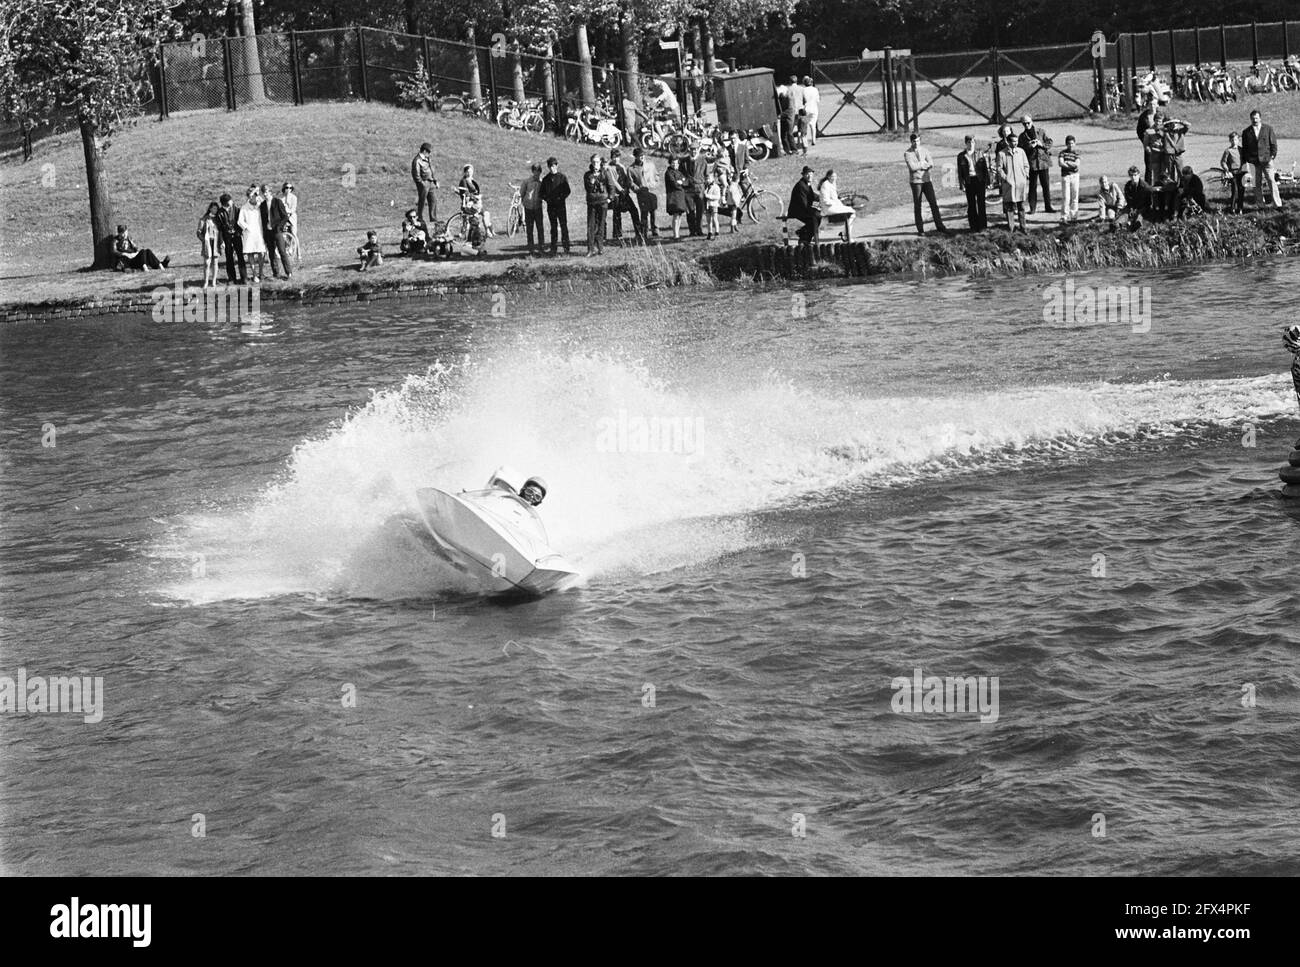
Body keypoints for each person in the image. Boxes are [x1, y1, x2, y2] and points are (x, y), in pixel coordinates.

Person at [905, 131, 947, 235]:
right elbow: (912, 167)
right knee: (918, 205)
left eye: (918, 141)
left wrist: (921, 165)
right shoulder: (908, 153)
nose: (916, 143)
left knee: (933, 203)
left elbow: (931, 163)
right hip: (916, 182)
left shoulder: (925, 150)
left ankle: (940, 226)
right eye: (914, 141)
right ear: (911, 142)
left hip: (927, 180)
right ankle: (920, 229)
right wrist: (922, 164)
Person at [1241, 109, 1282, 210]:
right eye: (1253, 118)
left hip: (1267, 161)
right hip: (1254, 162)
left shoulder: (1268, 129)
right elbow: (1245, 148)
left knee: (1272, 182)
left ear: (1260, 118)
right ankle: (1261, 205)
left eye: (1256, 118)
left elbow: (1273, 144)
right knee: (1256, 184)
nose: (1255, 120)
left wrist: (1272, 156)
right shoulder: (1246, 132)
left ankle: (1277, 204)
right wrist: (1248, 159)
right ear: (1250, 119)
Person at [604, 148, 643, 245]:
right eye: (614, 157)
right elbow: (613, 181)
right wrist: (621, 189)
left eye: (617, 157)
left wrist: (626, 189)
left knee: (634, 210)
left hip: (625, 193)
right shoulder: (608, 167)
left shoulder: (621, 166)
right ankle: (617, 235)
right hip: (616, 194)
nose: (616, 159)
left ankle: (638, 233)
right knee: (617, 214)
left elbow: (626, 178)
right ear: (611, 157)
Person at [1017, 115, 1054, 214]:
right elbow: (1020, 150)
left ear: (1032, 122)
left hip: (1043, 162)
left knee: (1045, 185)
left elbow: (1050, 142)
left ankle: (1048, 206)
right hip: (1032, 164)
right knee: (1032, 186)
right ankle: (1032, 208)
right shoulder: (1022, 137)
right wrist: (1030, 146)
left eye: (1028, 123)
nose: (1027, 125)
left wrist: (1041, 144)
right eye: (1024, 124)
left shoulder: (1040, 131)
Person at [997, 130, 1029, 232]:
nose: (1015, 143)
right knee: (1010, 207)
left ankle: (1023, 227)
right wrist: (1005, 178)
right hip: (1009, 185)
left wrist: (1025, 175)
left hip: (1020, 183)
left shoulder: (1021, 152)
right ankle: (1011, 228)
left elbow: (1026, 165)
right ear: (1008, 142)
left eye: (1016, 141)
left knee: (1021, 206)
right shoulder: (1002, 154)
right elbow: (999, 168)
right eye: (1013, 141)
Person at [540, 157, 571, 256]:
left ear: (557, 166)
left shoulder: (562, 177)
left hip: (561, 205)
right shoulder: (546, 179)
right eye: (550, 166)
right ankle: (553, 248)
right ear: (548, 167)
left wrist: (561, 198)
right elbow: (542, 193)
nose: (552, 168)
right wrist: (547, 199)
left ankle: (566, 247)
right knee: (553, 227)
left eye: (554, 166)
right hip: (551, 206)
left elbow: (567, 190)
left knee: (563, 226)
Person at [957, 134, 988, 231]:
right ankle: (973, 226)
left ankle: (982, 226)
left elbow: (985, 169)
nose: (971, 144)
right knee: (971, 205)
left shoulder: (980, 153)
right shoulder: (961, 156)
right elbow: (960, 171)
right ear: (966, 143)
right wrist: (962, 184)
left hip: (979, 180)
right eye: (969, 142)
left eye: (973, 142)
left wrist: (988, 182)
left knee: (981, 203)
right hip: (969, 181)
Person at [214, 193, 244, 284]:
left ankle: (244, 277)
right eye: (230, 200)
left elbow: (240, 222)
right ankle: (232, 278)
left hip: (237, 236)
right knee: (229, 257)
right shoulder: (219, 213)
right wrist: (221, 241)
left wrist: (239, 232)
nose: (232, 201)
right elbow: (219, 228)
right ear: (226, 202)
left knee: (240, 256)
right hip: (226, 237)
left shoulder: (236, 210)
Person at [630, 147, 660, 239]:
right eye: (639, 155)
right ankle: (644, 233)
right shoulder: (631, 169)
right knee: (644, 213)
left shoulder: (651, 165)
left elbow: (657, 175)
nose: (642, 157)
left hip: (652, 191)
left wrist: (655, 184)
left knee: (654, 211)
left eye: (643, 155)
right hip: (642, 194)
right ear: (635, 156)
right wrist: (637, 189)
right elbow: (630, 182)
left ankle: (655, 231)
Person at [238, 187, 266, 283]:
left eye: (257, 195)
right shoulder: (244, 208)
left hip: (259, 233)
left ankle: (261, 273)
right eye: (254, 195)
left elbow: (264, 201)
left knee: (261, 252)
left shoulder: (260, 205)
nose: (256, 196)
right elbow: (240, 221)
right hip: (249, 234)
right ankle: (254, 274)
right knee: (250, 253)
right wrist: (247, 228)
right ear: (250, 196)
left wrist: (257, 193)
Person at [816, 170, 855, 241]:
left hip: (832, 207)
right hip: (828, 208)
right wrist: (837, 203)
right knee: (852, 212)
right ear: (828, 177)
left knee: (851, 212)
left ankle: (844, 233)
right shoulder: (825, 185)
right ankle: (845, 235)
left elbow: (835, 198)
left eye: (835, 176)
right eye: (832, 176)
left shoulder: (831, 184)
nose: (834, 178)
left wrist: (841, 201)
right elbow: (826, 200)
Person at [458, 164, 494, 239]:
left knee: (485, 214)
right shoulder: (464, 181)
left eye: (471, 171)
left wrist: (478, 196)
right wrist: (475, 197)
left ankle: (489, 231)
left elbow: (476, 191)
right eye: (468, 171)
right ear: (465, 172)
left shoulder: (472, 180)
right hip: (470, 203)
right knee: (472, 218)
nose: (470, 173)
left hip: (476, 202)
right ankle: (466, 233)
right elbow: (464, 193)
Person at [787, 165, 820, 243]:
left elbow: (813, 196)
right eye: (807, 174)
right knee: (815, 218)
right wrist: (815, 208)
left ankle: (803, 235)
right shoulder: (801, 185)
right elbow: (803, 203)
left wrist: (821, 199)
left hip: (804, 209)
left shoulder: (807, 183)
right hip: (797, 211)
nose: (809, 176)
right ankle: (805, 238)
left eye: (811, 174)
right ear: (803, 175)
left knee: (817, 217)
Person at [583, 154, 608, 256]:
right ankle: (590, 249)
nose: (595, 164)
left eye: (597, 162)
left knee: (601, 225)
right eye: (593, 162)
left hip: (603, 201)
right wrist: (592, 182)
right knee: (591, 225)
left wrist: (610, 198)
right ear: (591, 163)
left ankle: (600, 247)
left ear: (600, 163)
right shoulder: (587, 175)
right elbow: (587, 189)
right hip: (592, 202)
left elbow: (611, 185)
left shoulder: (605, 173)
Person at [269, 185, 293, 278]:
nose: (266, 194)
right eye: (264, 192)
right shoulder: (263, 205)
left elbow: (285, 216)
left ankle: (288, 272)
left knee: (282, 251)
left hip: (277, 231)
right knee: (271, 253)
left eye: (267, 192)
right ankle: (276, 273)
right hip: (268, 232)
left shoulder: (277, 202)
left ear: (270, 192)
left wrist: (279, 227)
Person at [412, 142, 438, 225]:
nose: (430, 154)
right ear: (424, 151)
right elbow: (416, 174)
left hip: (431, 182)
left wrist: (435, 180)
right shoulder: (417, 160)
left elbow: (431, 170)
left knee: (433, 200)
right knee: (422, 201)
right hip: (424, 183)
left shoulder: (428, 159)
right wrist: (422, 183)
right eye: (429, 152)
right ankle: (420, 217)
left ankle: (433, 218)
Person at [522, 162, 545, 256]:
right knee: (529, 229)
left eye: (538, 172)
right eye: (535, 171)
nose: (536, 173)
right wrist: (525, 203)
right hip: (528, 208)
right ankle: (531, 249)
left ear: (540, 172)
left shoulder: (542, 182)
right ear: (532, 172)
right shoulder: (527, 182)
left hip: (538, 208)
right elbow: (522, 193)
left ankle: (541, 248)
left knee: (540, 228)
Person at [686, 143, 708, 237]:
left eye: (695, 149)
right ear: (689, 150)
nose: (693, 151)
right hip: (688, 189)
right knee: (690, 211)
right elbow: (681, 174)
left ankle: (699, 230)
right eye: (691, 149)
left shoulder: (703, 161)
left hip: (700, 188)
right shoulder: (684, 161)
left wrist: (705, 186)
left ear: (698, 150)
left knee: (700, 211)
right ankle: (692, 231)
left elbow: (706, 175)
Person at [1221, 131, 1245, 215]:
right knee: (1235, 191)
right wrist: (1227, 171)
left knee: (1241, 190)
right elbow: (1223, 162)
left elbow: (1245, 161)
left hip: (1242, 173)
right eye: (1232, 140)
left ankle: (1240, 208)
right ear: (1230, 141)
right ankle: (1232, 209)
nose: (1234, 141)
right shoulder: (1228, 151)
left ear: (1238, 140)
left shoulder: (1241, 150)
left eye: (1235, 139)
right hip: (1233, 173)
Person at [664, 157, 689, 239]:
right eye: (673, 163)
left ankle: (677, 233)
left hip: (680, 197)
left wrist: (681, 182)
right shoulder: (668, 173)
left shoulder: (679, 172)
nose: (675, 165)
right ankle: (676, 235)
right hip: (673, 197)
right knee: (675, 215)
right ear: (670, 163)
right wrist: (681, 182)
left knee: (679, 215)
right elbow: (674, 183)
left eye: (676, 163)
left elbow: (686, 181)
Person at [198, 202, 221, 287]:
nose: (215, 210)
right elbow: (199, 232)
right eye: (214, 208)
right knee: (207, 263)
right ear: (210, 208)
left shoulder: (218, 219)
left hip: (216, 243)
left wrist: (221, 242)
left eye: (216, 209)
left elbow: (221, 231)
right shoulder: (204, 219)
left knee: (215, 262)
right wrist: (203, 240)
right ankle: (206, 281)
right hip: (207, 243)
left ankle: (214, 281)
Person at [1058, 135, 1080, 222]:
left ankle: (1074, 216)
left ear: (1074, 143)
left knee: (1074, 196)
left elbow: (1077, 164)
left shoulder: (1076, 153)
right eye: (1068, 143)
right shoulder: (1062, 153)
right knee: (1066, 197)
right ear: (1066, 144)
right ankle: (1064, 216)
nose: (1070, 145)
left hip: (1075, 176)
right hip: (1065, 176)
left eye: (1072, 143)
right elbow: (1060, 163)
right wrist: (1071, 164)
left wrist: (1067, 162)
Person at [1123, 165, 1152, 230]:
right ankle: (1119, 224)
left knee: (1139, 215)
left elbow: (1147, 201)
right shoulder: (1128, 185)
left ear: (1139, 175)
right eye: (1131, 175)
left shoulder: (1145, 186)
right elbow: (1128, 198)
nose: (1133, 177)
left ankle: (1137, 224)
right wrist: (1131, 208)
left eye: (1135, 175)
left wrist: (1137, 210)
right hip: (1133, 206)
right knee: (1125, 213)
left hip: (1143, 206)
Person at [281, 182, 300, 259]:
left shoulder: (294, 198)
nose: (288, 189)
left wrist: (287, 211)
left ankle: (299, 254)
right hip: (284, 219)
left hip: (292, 218)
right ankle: (289, 251)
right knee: (285, 235)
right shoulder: (281, 199)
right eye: (286, 188)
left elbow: (293, 209)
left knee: (294, 234)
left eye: (290, 188)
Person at [801, 77, 820, 147]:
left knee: (805, 126)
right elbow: (818, 100)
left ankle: (804, 142)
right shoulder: (815, 90)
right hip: (814, 108)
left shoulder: (803, 90)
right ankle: (813, 140)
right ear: (811, 83)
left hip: (806, 109)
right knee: (813, 125)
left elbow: (802, 100)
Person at [703, 171, 722, 239]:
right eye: (706, 179)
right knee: (708, 220)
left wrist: (708, 196)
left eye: (709, 179)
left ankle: (717, 232)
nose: (707, 180)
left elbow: (717, 197)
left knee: (715, 219)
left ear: (713, 179)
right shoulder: (706, 187)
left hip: (713, 205)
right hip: (708, 205)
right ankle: (709, 232)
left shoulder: (716, 187)